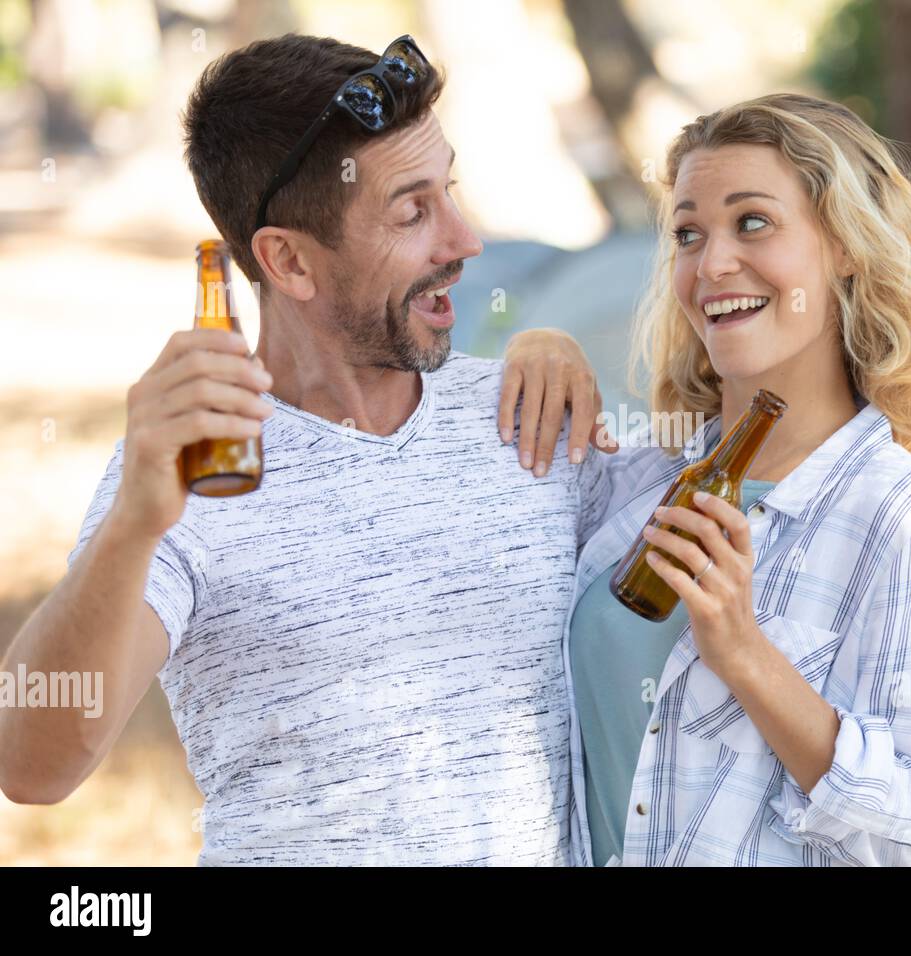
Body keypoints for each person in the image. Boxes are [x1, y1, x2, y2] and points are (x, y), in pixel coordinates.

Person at [0, 33, 613, 865]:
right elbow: (30, 766)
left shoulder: (526, 409)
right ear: (287, 261)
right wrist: (130, 529)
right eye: (412, 211)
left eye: (450, 193)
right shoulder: (196, 467)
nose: (466, 242)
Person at [561, 93, 911, 866]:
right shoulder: (637, 481)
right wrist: (539, 345)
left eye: (752, 221)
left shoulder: (897, 518)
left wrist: (745, 653)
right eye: (688, 233)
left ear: (846, 246)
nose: (711, 263)